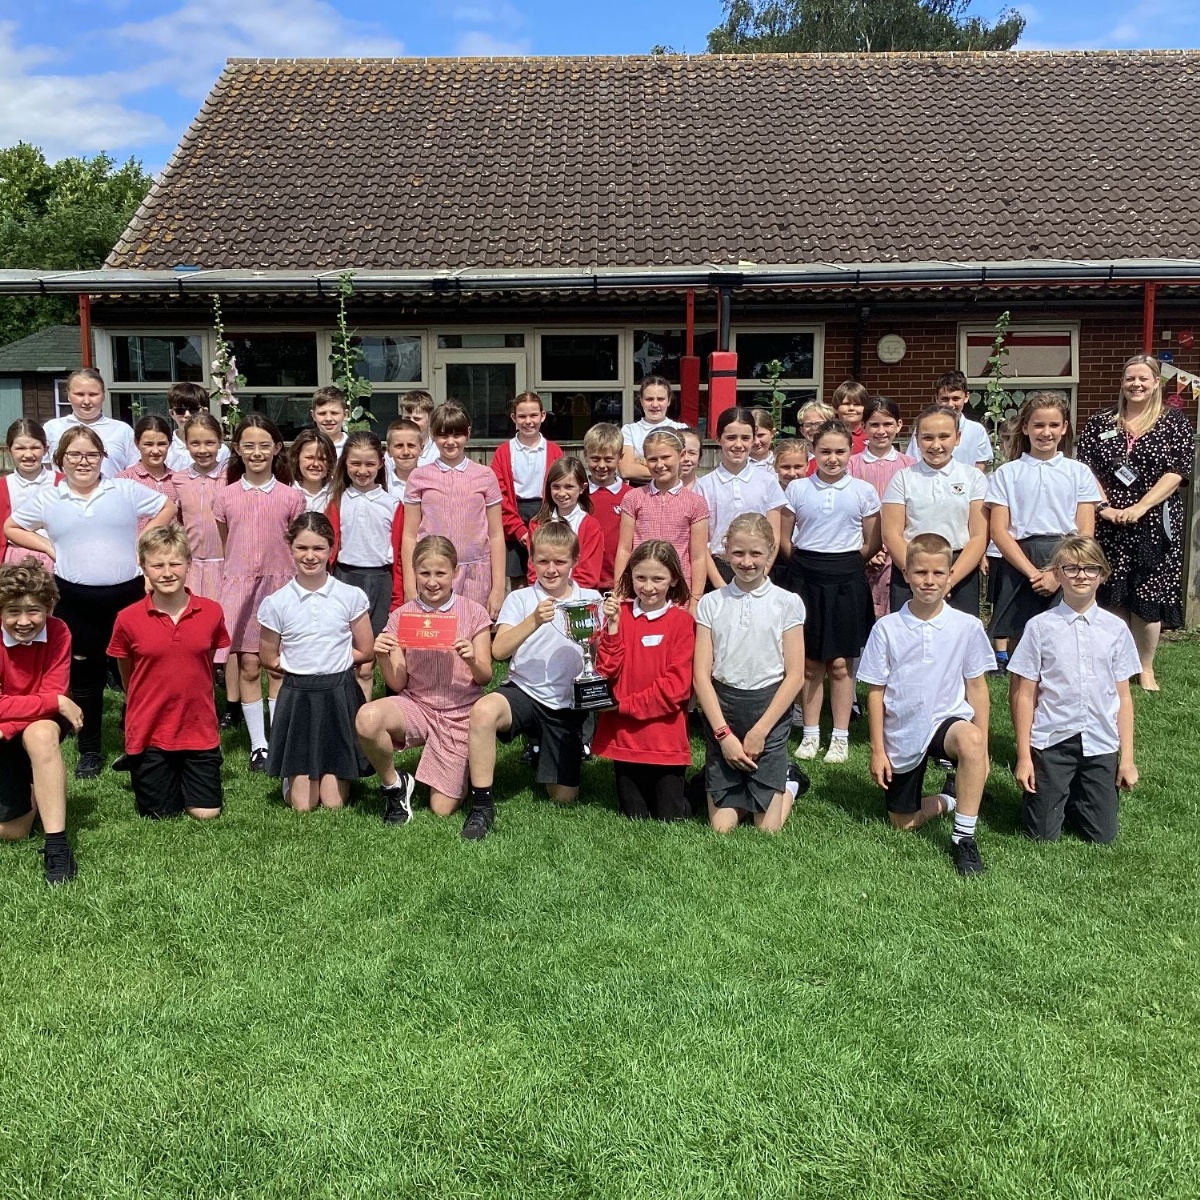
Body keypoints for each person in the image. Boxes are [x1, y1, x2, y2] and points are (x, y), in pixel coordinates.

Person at [4, 426, 172, 778]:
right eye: (75, 455)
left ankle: (140, 741)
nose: (83, 461)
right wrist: (49, 547)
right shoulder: (50, 497)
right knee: (85, 678)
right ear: (61, 458)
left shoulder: (123, 490)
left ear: (102, 458)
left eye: (91, 454)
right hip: (76, 599)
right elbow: (12, 527)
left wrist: (143, 542)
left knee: (136, 672)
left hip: (127, 595)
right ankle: (89, 750)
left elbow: (167, 506)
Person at [857, 532, 995, 876]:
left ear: (950, 575)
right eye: (920, 573)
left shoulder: (967, 626)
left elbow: (977, 687)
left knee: (971, 740)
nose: (929, 581)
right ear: (906, 574)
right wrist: (878, 750)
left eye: (937, 573)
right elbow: (875, 692)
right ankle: (950, 797)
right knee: (903, 823)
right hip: (903, 730)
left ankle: (964, 839)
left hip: (947, 720)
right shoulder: (887, 628)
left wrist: (983, 748)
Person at [461, 523, 600, 841]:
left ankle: (541, 748)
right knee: (483, 712)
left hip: (565, 703)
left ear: (574, 561)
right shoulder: (522, 598)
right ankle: (482, 805)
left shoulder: (590, 599)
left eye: (560, 561)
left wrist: (611, 628)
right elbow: (498, 650)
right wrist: (534, 620)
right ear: (532, 561)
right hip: (523, 690)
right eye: (543, 561)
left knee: (563, 798)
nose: (551, 569)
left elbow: (599, 654)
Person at [1008, 536, 1139, 844]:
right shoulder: (1040, 627)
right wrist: (1024, 756)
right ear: (1058, 573)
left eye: (1090, 569)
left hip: (1100, 744)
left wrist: (1128, 759)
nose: (1081, 575)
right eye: (1071, 568)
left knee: (1102, 837)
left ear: (1102, 575)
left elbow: (1123, 697)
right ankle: (1055, 794)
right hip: (1053, 741)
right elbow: (1024, 695)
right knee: (1040, 836)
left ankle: (1080, 793)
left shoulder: (1116, 629)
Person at [356, 535, 493, 825]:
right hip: (416, 706)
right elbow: (397, 683)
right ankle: (395, 784)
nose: (432, 582)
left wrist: (470, 658)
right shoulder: (402, 616)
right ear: (414, 573)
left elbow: (485, 676)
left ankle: (462, 761)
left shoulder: (474, 613)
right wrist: (382, 656)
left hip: (459, 713)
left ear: (456, 572)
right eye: (425, 573)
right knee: (367, 718)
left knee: (442, 808)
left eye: (441, 573)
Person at [1077, 353, 1193, 691]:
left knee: (1147, 594)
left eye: (1144, 378)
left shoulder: (1173, 422)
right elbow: (1086, 470)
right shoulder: (1101, 422)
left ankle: (1145, 667)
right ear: (1122, 382)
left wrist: (1141, 506)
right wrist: (1104, 507)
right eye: (1131, 378)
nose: (1136, 384)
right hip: (1108, 523)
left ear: (1156, 382)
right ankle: (1118, 666)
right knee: (1112, 594)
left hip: (1153, 522)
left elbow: (1176, 472)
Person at [694, 513, 806, 834]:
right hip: (724, 713)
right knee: (722, 828)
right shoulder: (712, 603)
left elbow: (795, 675)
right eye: (738, 553)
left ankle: (790, 782)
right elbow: (701, 676)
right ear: (726, 551)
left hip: (768, 713)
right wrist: (723, 736)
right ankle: (739, 792)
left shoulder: (787, 603)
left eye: (756, 553)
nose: (746, 562)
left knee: (767, 829)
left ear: (771, 552)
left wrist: (760, 731)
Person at [107, 526, 229, 821]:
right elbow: (128, 673)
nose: (167, 572)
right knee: (163, 814)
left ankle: (193, 768)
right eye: (157, 565)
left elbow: (206, 659)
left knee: (207, 813)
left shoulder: (211, 612)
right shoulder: (127, 618)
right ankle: (139, 761)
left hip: (197, 726)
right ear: (144, 567)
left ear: (188, 564)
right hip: (150, 728)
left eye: (174, 563)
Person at [257, 512, 375, 811]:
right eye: (302, 548)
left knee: (334, 803)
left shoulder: (350, 595)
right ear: (291, 549)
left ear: (331, 549)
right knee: (302, 806)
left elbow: (366, 649)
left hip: (338, 692)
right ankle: (294, 776)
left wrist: (330, 659)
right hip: (298, 695)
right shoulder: (277, 602)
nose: (310, 556)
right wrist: (302, 663)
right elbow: (268, 656)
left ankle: (335, 771)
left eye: (318, 548)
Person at [783, 420, 881, 763]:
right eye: (825, 451)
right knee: (810, 663)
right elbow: (785, 538)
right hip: (806, 578)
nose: (833, 458)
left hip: (846, 579)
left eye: (840, 451)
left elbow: (871, 542)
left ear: (851, 452)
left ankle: (839, 736)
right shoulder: (797, 489)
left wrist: (846, 563)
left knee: (840, 663)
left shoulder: (863, 492)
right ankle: (810, 734)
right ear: (813, 451)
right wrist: (807, 563)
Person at [212, 414, 306, 771]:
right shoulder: (224, 498)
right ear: (237, 449)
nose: (256, 452)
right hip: (241, 587)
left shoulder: (291, 497)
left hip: (280, 587)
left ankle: (281, 736)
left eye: (264, 445)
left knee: (279, 666)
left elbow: (294, 545)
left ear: (277, 448)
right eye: (248, 445)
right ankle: (258, 744)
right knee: (249, 664)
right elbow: (228, 544)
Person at [986, 392, 1102, 646]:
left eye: (1053, 425)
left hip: (1067, 560)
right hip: (1019, 561)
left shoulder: (1079, 472)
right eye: (1038, 425)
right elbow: (998, 531)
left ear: (1064, 428)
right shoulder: (1007, 473)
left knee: (1064, 636)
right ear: (1025, 427)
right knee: (1022, 638)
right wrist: (1033, 574)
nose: (1046, 432)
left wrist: (1056, 573)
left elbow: (1085, 531)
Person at [592, 540, 695, 821]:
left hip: (664, 737)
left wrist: (621, 705)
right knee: (634, 817)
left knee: (670, 817)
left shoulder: (682, 623)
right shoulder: (618, 616)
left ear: (673, 579)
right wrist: (612, 629)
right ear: (630, 577)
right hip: (625, 736)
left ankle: (703, 786)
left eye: (658, 579)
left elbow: (676, 689)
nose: (648, 587)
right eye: (640, 578)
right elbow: (605, 671)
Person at [0, 561, 82, 884]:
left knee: (43, 733)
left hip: (35, 723)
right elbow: (54, 698)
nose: (23, 622)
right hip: (14, 722)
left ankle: (57, 845)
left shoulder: (60, 632)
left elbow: (52, 690)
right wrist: (58, 702)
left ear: (49, 607)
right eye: (12, 612)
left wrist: (10, 722)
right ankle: (35, 792)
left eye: (33, 611)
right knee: (13, 831)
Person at [400, 403, 506, 619]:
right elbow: (410, 535)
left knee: (472, 637)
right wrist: (410, 585)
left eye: (457, 434)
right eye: (443, 435)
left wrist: (498, 588)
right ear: (432, 434)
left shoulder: (485, 476)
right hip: (432, 576)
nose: (450, 442)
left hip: (476, 573)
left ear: (468, 433)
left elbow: (495, 535)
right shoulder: (419, 476)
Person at [882, 404, 987, 615]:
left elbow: (979, 536)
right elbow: (891, 534)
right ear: (917, 439)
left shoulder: (973, 477)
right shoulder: (903, 478)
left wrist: (948, 580)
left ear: (957, 438)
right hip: (911, 570)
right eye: (928, 438)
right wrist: (916, 575)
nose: (936, 445)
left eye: (944, 437)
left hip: (959, 570)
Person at [326, 431, 403, 700]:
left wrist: (399, 596)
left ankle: (368, 720)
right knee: (346, 653)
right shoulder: (336, 501)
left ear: (381, 464)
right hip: (345, 579)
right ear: (345, 464)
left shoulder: (392, 504)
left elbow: (401, 556)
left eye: (369, 464)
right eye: (355, 464)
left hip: (381, 583)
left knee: (370, 660)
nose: (362, 470)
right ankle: (345, 714)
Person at [173, 412, 236, 723]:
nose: (202, 449)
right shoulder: (179, 479)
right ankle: (201, 699)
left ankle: (233, 705)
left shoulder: (230, 477)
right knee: (196, 637)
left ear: (220, 442)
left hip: (226, 566)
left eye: (209, 442)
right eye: (195, 443)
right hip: (195, 567)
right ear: (185, 444)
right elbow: (178, 521)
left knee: (227, 635)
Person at [613, 428, 709, 612]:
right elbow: (625, 548)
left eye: (666, 457)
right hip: (641, 589)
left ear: (681, 455)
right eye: (652, 459)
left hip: (679, 592)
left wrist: (695, 600)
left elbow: (697, 556)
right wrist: (619, 592)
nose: (659, 465)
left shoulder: (696, 503)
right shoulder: (634, 498)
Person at [694, 407, 788, 588]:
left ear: (753, 440)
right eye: (731, 438)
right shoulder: (704, 485)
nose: (738, 445)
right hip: (718, 570)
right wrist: (718, 583)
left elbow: (774, 535)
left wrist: (761, 573)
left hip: (758, 569)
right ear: (718, 439)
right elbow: (700, 542)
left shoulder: (767, 481)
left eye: (745, 438)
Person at [848, 396, 915, 618]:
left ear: (899, 425)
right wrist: (868, 548)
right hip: (862, 551)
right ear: (864, 426)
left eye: (887, 424)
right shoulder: (851, 464)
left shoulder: (910, 466)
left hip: (899, 552)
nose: (881, 431)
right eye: (874, 424)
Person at [491, 391, 563, 589]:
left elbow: (561, 488)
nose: (528, 421)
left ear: (543, 416)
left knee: (546, 572)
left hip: (545, 513)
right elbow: (499, 495)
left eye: (533, 415)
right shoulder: (504, 452)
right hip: (513, 516)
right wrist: (518, 529)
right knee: (519, 581)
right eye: (522, 416)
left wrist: (543, 522)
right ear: (514, 418)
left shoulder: (554, 451)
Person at [525, 456, 604, 590]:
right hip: (542, 597)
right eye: (556, 487)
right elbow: (534, 568)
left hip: (577, 597)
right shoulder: (537, 524)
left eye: (569, 487)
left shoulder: (591, 526)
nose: (562, 493)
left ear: (582, 488)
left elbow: (589, 574)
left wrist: (565, 595)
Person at [43, 367, 137, 479]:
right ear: (68, 395)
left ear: (103, 395)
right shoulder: (52, 428)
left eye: (93, 395)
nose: (86, 401)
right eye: (80, 394)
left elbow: (134, 471)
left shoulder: (122, 430)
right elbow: (44, 471)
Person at [905, 371, 993, 469]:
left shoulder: (976, 430)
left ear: (966, 397)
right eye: (945, 399)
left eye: (956, 399)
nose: (950, 405)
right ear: (937, 399)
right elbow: (913, 460)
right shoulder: (924, 428)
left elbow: (979, 466)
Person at [1, 420, 59, 569]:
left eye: (35, 447)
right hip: (12, 561)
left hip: (57, 557)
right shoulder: (2, 486)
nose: (28, 454)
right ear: (9, 450)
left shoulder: (63, 483)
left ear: (46, 449)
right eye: (20, 448)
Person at [582, 422, 629, 592]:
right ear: (585, 456)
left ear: (620, 457)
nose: (602, 466)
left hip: (618, 582)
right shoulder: (576, 494)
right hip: (581, 582)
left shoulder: (631, 495)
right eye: (595, 459)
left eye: (608, 459)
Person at [619, 375, 686, 483]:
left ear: (669, 401)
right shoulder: (629, 430)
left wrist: (640, 464)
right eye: (649, 399)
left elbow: (684, 470)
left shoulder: (681, 429)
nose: (655, 404)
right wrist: (670, 470)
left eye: (660, 399)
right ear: (641, 401)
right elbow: (627, 470)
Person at [118, 414, 180, 532]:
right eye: (148, 444)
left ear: (170, 443)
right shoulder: (124, 480)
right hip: (137, 548)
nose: (155, 451)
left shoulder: (178, 479)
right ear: (137, 443)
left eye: (161, 444)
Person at [164, 382, 230, 472]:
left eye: (193, 410)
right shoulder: (166, 448)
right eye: (180, 410)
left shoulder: (221, 450)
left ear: (204, 411)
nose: (187, 415)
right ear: (172, 413)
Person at [288, 429, 336, 514]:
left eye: (322, 459)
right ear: (297, 458)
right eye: (309, 458)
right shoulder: (286, 491)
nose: (316, 464)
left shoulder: (337, 492)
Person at [384, 417, 423, 498]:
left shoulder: (431, 482)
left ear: (421, 449)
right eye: (399, 446)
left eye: (411, 445)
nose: (406, 452)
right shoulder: (383, 485)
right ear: (388, 451)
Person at [399, 390, 439, 467]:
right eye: (407, 418)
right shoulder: (393, 453)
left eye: (417, 419)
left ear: (430, 419)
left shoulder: (438, 454)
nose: (411, 422)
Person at [830, 379, 870, 456]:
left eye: (857, 404)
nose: (851, 408)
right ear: (835, 408)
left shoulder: (871, 434)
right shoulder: (828, 434)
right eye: (846, 404)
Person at [797, 400, 837, 475]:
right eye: (808, 425)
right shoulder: (798, 455)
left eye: (818, 424)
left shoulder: (839, 454)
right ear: (802, 430)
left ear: (831, 426)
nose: (813, 428)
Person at [310, 385, 348, 458]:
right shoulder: (305, 447)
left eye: (334, 413)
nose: (328, 418)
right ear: (313, 415)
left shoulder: (354, 447)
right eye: (322, 413)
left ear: (345, 415)